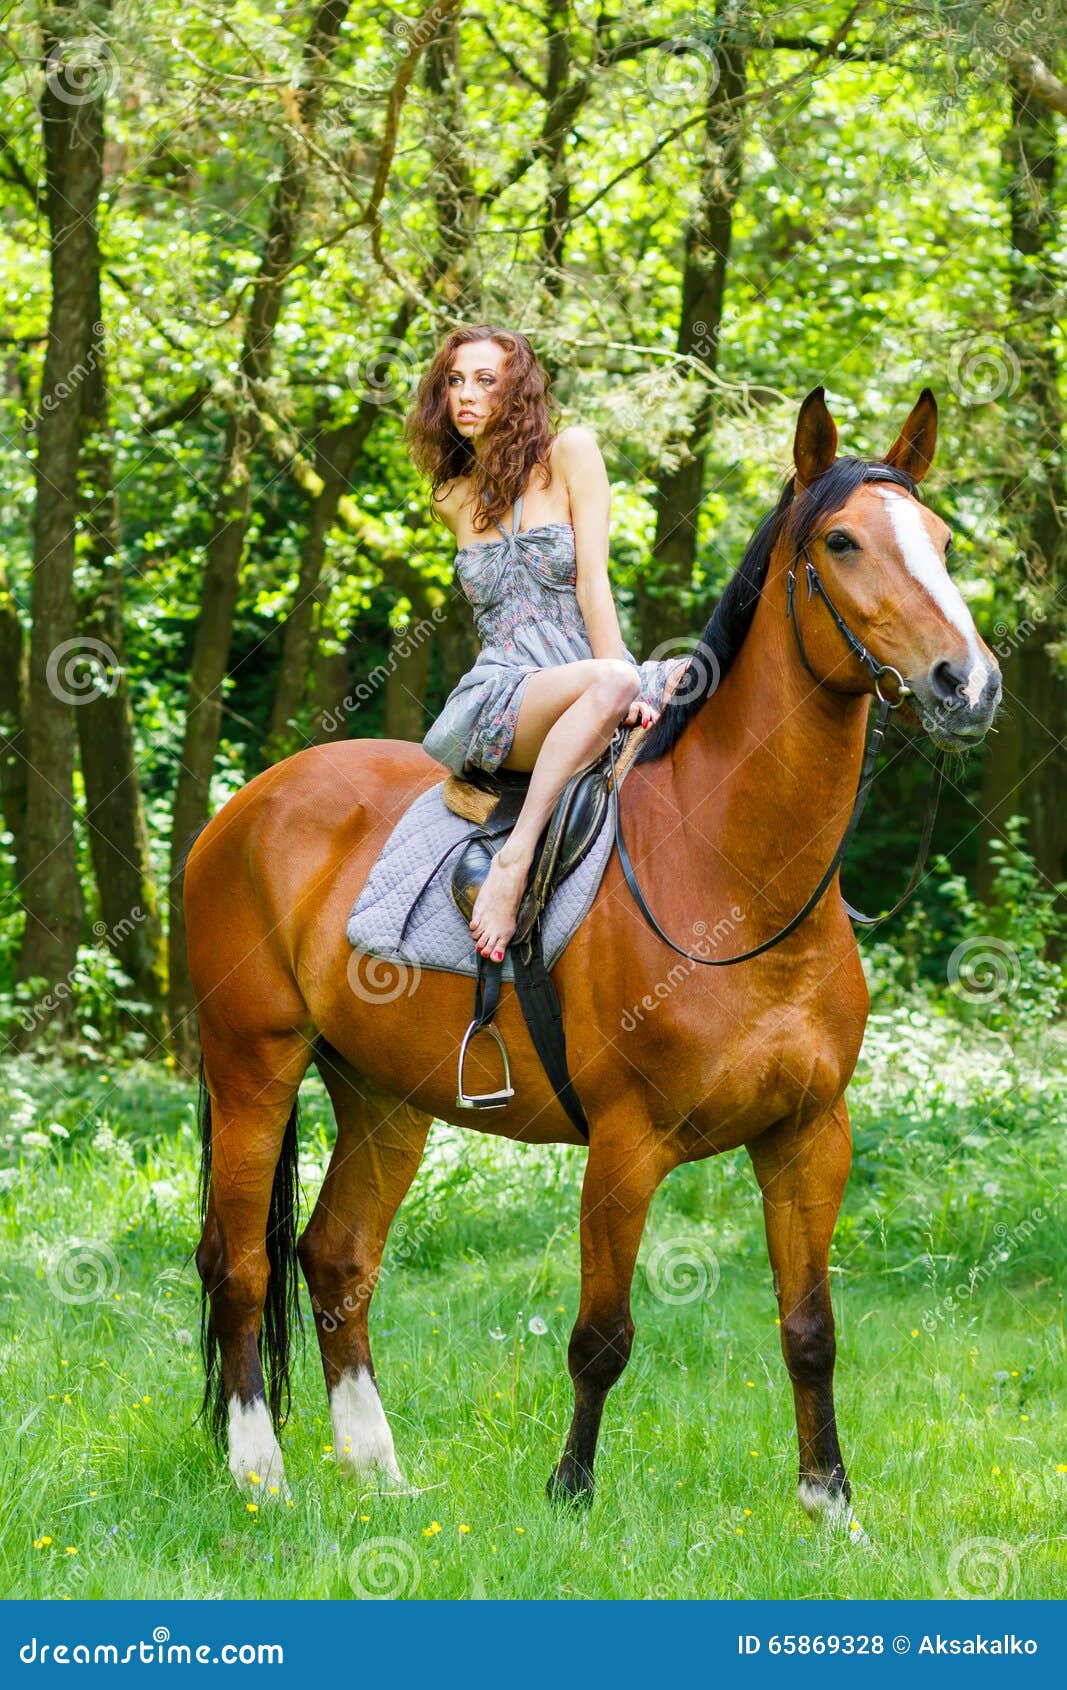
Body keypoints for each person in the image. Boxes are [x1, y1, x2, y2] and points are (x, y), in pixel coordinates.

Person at [405, 324, 687, 965]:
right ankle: (513, 860)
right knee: (613, 684)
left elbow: (593, 583)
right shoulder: (452, 497)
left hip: (585, 672)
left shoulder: (571, 452)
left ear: (519, 391)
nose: (465, 395)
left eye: (485, 380)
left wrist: (629, 675)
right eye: (453, 382)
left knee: (693, 672)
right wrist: (618, 682)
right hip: (505, 691)